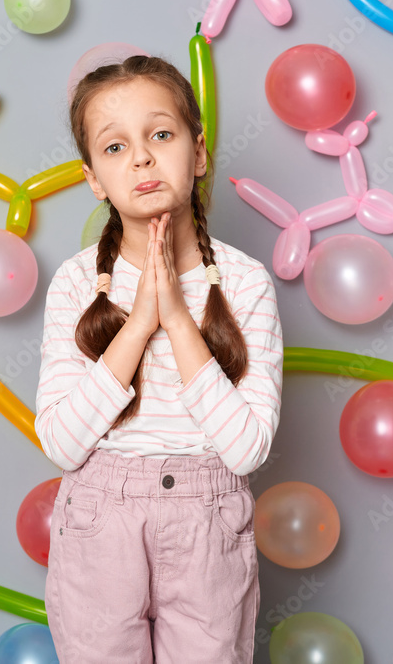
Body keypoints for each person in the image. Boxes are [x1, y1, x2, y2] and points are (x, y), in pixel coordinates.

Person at [34, 55, 283, 663]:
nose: (142, 158)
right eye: (115, 147)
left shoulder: (246, 283)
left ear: (197, 154)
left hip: (208, 523)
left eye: (161, 135)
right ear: (94, 179)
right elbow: (63, 447)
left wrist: (176, 317)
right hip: (99, 523)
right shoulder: (73, 284)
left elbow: (247, 450)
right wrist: (140, 322)